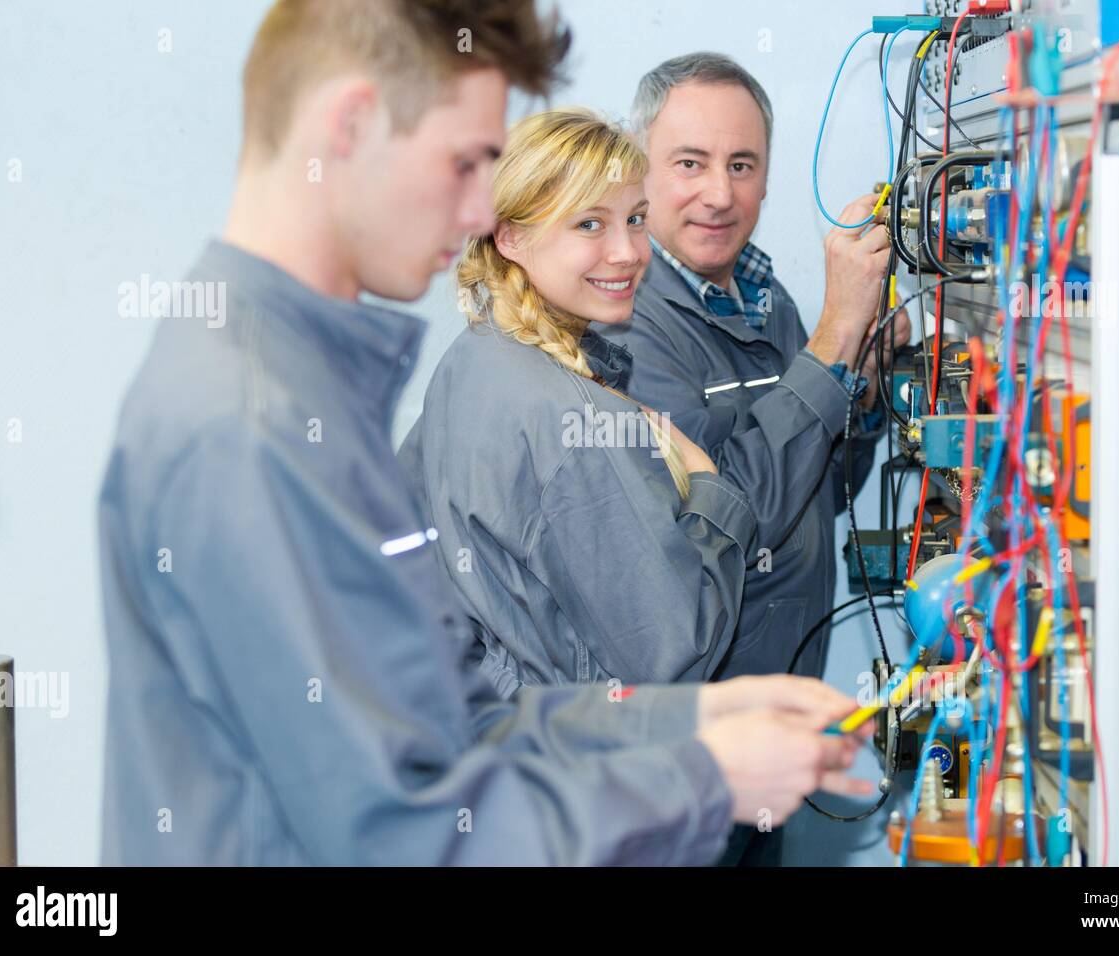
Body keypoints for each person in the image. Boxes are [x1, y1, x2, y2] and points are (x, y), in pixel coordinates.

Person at [97, 0, 869, 866]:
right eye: (465, 163)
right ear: (350, 126)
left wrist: (692, 720)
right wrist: (702, 777)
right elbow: (400, 825)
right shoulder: (248, 426)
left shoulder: (300, 380)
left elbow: (452, 715)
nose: (481, 214)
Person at [598, 52, 910, 865]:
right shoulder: (628, 326)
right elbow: (726, 519)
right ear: (640, 173)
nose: (719, 193)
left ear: (768, 180)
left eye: (742, 165)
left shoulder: (769, 302)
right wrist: (836, 336)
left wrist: (864, 384)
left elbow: (819, 492)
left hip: (772, 715)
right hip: (692, 743)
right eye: (690, 163)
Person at [400, 108, 758, 696]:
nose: (627, 252)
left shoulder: (473, 357)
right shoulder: (578, 422)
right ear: (510, 235)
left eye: (636, 219)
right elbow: (672, 656)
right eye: (590, 225)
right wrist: (709, 488)